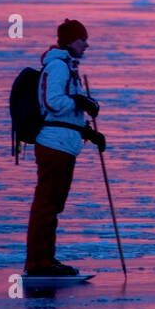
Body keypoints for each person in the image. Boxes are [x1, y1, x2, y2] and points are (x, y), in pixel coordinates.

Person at [24, 19, 105, 278]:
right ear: (70, 41)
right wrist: (80, 99)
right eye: (83, 40)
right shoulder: (57, 67)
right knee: (46, 205)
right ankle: (38, 264)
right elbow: (54, 103)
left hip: (65, 144)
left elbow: (67, 114)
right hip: (53, 145)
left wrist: (88, 132)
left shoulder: (68, 68)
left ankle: (45, 259)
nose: (87, 45)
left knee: (53, 205)